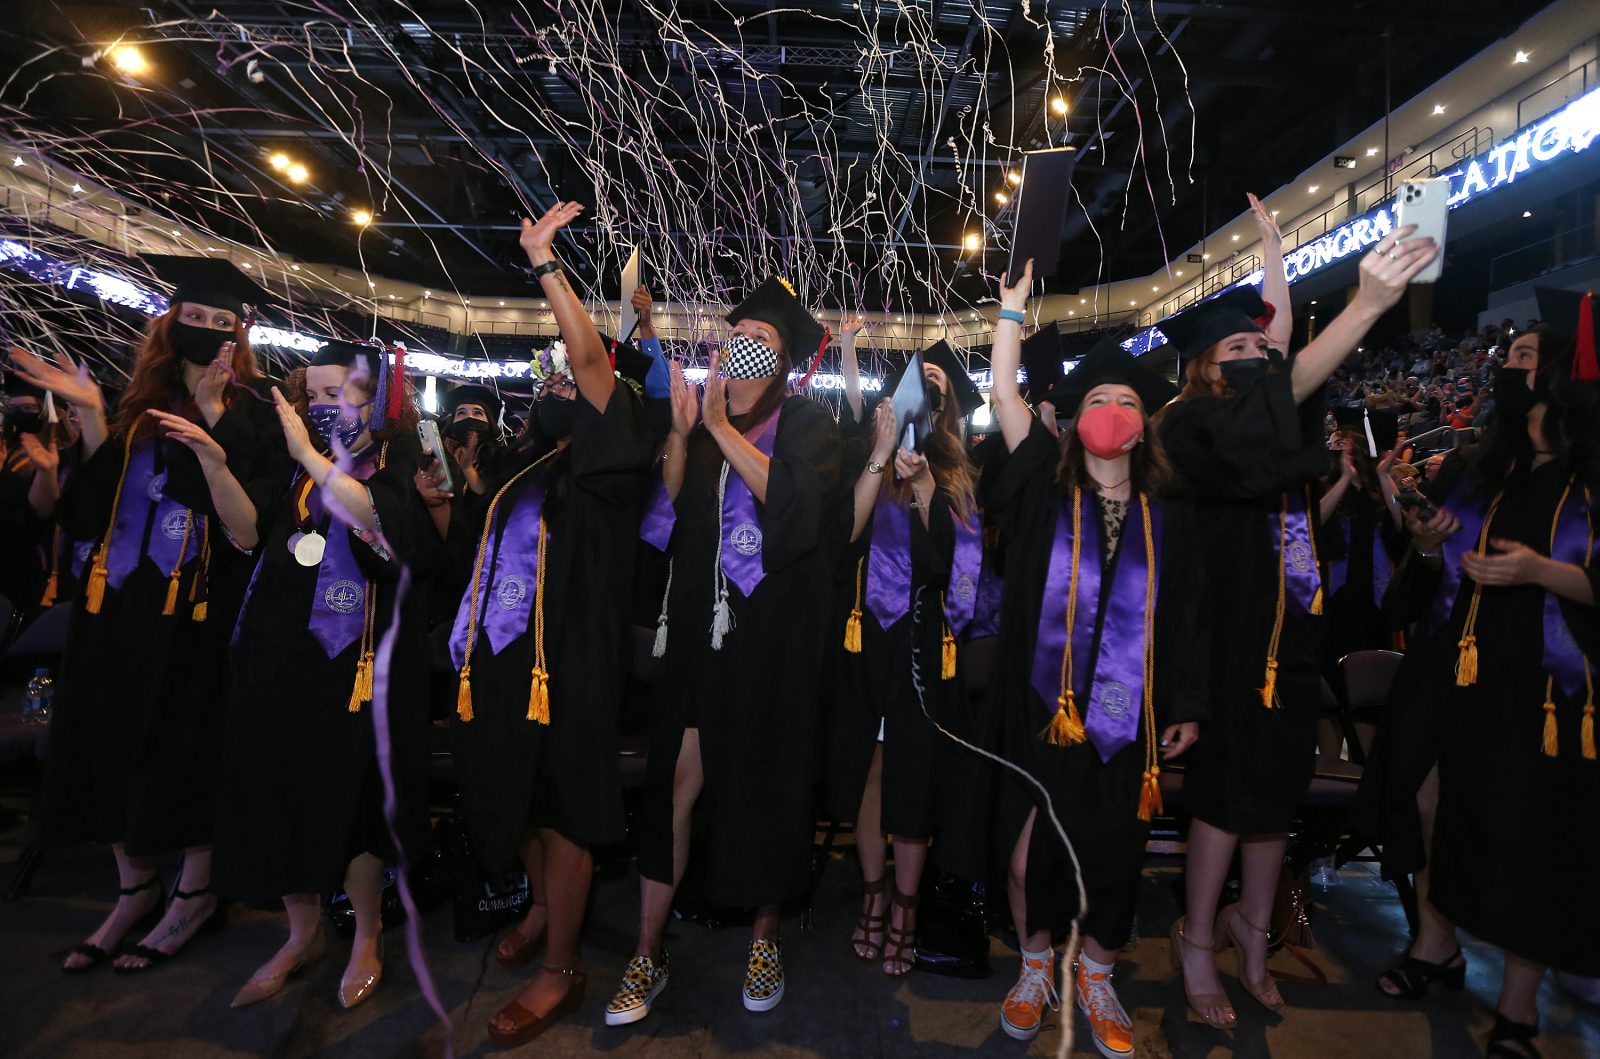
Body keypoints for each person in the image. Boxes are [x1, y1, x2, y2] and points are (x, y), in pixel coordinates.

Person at [1157, 225, 1437, 1028]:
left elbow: (1283, 484)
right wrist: (1364, 305)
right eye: (1237, 344)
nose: (1257, 351)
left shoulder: (1271, 435)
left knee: (1276, 795)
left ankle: (1252, 937)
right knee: (1222, 793)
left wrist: (1276, 257)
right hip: (1223, 643)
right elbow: (1264, 400)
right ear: (1205, 363)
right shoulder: (1187, 426)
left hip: (1291, 640)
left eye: (1259, 341)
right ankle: (1199, 938)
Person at [12, 255, 278, 974]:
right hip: (118, 604)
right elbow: (93, 508)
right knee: (110, 738)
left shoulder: (253, 410)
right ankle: (135, 888)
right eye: (193, 318)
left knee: (185, 746)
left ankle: (196, 894)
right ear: (171, 323)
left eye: (221, 323)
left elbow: (250, 526)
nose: (205, 331)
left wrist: (218, 418)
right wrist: (95, 414)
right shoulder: (139, 406)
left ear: (238, 335)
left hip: (196, 611)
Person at [1361, 291, 1594, 1058]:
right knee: (1427, 796)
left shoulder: (1588, 481)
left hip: (1540, 675)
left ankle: (1519, 1009)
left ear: (1562, 376)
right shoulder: (1479, 465)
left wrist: (1538, 571)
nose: (1509, 367)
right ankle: (1436, 943)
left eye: (1527, 359)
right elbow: (1433, 567)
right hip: (1449, 657)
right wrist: (1427, 542)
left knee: (1529, 834)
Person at [445, 204, 654, 1045]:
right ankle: (538, 908)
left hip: (570, 663)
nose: (561, 384)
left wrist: (544, 265)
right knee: (524, 800)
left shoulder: (611, 460)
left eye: (575, 379)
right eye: (552, 383)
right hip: (503, 662)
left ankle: (562, 965)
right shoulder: (519, 469)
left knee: (564, 807)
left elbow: (593, 356)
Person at [608, 276, 841, 1023]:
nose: (742, 344)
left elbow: (796, 507)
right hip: (697, 638)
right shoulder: (699, 419)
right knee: (673, 784)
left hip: (772, 644)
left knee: (767, 788)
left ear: (780, 364)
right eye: (735, 332)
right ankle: (648, 951)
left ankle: (766, 935)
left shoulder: (806, 423)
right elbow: (670, 513)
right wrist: (682, 435)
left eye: (761, 340)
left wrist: (721, 428)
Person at [986, 272, 1206, 1054]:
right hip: (1041, 701)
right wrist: (1012, 309)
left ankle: (1100, 972)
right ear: (1076, 422)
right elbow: (1009, 401)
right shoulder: (1045, 489)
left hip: (1128, 705)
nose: (1111, 412)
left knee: (1115, 851)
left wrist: (1183, 701)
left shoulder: (1170, 516)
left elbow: (1184, 617)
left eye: (1128, 403)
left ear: (1146, 426)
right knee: (1024, 855)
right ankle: (1037, 963)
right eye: (1097, 402)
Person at [199, 336, 433, 1010]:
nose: (324, 407)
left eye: (341, 395)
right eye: (317, 395)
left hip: (357, 671)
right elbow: (245, 531)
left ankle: (366, 934)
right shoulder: (294, 471)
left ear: (376, 401)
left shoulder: (393, 465)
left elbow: (382, 527)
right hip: (282, 661)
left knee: (350, 804)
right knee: (280, 796)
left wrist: (308, 452)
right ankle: (302, 933)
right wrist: (215, 466)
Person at [824, 333, 987, 978]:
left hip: (924, 645)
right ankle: (872, 894)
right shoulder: (869, 456)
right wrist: (885, 455)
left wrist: (920, 488)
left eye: (941, 386)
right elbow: (847, 535)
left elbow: (954, 567)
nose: (931, 390)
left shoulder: (958, 476)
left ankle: (907, 909)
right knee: (870, 774)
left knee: (913, 780)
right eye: (922, 381)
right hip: (866, 644)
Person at [1320, 407, 1404, 667]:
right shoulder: (1325, 484)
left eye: (1340, 444)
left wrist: (1384, 476)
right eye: (1333, 444)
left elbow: (1402, 522)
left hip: (1373, 583)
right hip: (1338, 584)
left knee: (1372, 641)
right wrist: (1344, 479)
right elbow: (1314, 521)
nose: (1335, 449)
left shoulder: (1379, 484)